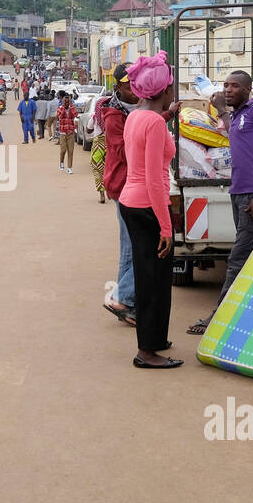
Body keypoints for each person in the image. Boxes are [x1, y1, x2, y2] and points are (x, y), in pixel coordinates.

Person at [190, 69, 253, 337]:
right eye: (225, 85)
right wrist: (221, 111)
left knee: (238, 259)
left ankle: (219, 316)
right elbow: (236, 134)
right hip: (239, 193)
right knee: (251, 258)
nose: (228, 90)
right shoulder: (239, 115)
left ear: (247, 88)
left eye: (234, 86)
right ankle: (251, 312)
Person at [118, 53, 181, 369]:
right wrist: (166, 227)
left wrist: (167, 116)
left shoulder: (136, 117)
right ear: (163, 90)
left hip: (131, 202)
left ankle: (155, 339)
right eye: (171, 85)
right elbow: (157, 179)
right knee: (155, 280)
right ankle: (147, 351)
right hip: (148, 206)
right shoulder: (154, 123)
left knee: (149, 276)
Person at [99, 64, 139, 326]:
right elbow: (124, 152)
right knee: (140, 247)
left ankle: (127, 304)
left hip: (129, 184)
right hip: (123, 185)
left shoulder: (133, 108)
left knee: (129, 247)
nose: (133, 91)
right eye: (128, 87)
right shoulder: (114, 115)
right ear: (118, 88)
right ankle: (121, 296)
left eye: (135, 85)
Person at [56, 91, 78, 174]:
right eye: (65, 101)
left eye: (68, 101)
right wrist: (63, 108)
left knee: (71, 150)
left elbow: (76, 114)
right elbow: (60, 117)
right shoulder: (60, 108)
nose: (66, 103)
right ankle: (61, 162)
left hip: (71, 132)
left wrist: (71, 106)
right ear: (62, 101)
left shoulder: (72, 108)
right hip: (63, 132)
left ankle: (69, 167)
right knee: (63, 150)